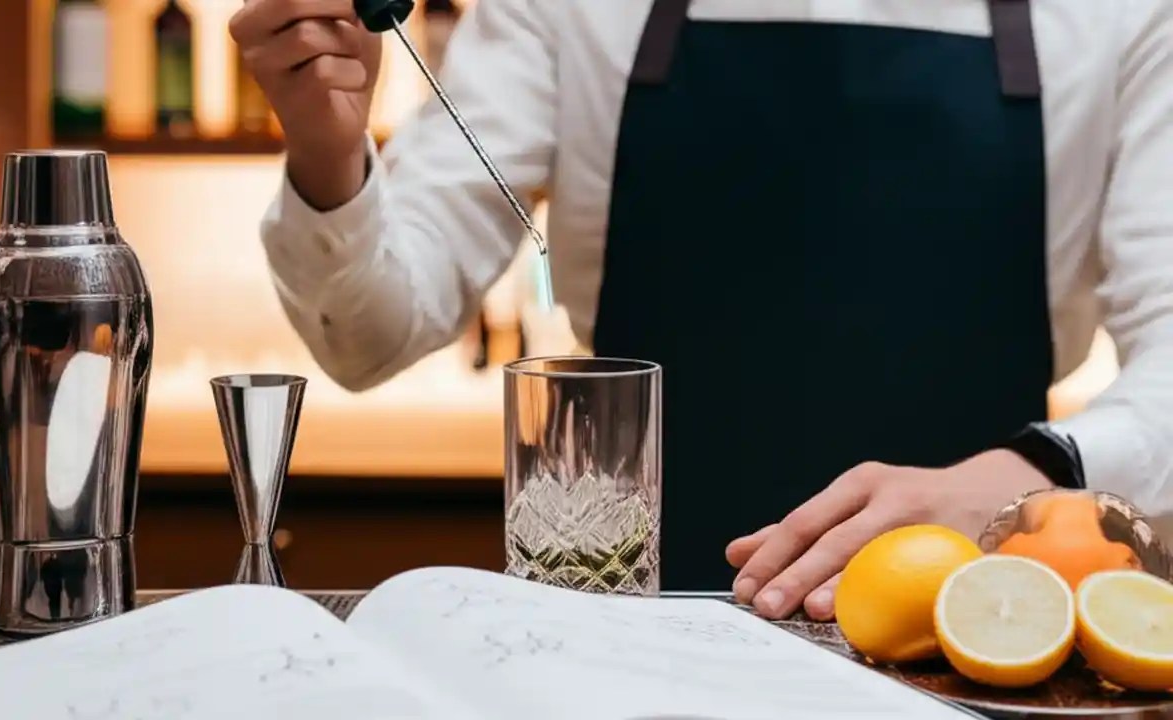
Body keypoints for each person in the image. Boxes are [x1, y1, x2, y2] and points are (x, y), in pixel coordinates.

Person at [230, 0, 1173, 618]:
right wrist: (327, 146)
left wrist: (1032, 472)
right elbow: (369, 333)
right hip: (624, 637)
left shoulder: (1117, 14)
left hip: (969, 636)